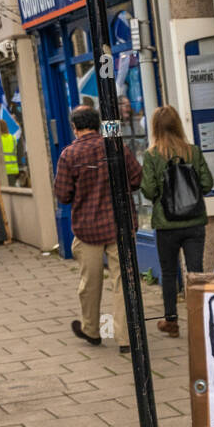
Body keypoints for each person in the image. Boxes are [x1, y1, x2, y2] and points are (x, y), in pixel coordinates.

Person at [53, 105, 142, 353]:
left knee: (90, 283)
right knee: (123, 282)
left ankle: (92, 330)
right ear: (97, 123)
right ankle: (125, 338)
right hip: (120, 226)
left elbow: (63, 195)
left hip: (88, 229)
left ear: (75, 127)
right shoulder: (116, 147)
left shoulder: (69, 155)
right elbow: (137, 178)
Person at [140, 105, 214, 338]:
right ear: (178, 125)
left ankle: (171, 320)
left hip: (166, 224)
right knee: (196, 271)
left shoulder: (152, 156)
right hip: (194, 222)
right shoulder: (193, 152)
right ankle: (200, 320)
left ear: (155, 127)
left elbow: (149, 190)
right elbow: (207, 184)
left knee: (169, 272)